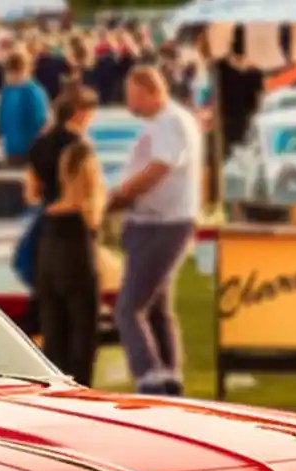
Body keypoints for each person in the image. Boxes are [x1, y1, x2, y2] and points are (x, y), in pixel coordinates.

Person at [107, 67, 203, 396]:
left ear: (150, 91)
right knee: (157, 307)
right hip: (157, 221)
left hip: (162, 223)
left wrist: (122, 195)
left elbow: (160, 167)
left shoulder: (170, 122)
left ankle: (149, 378)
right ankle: (169, 376)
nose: (129, 102)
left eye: (133, 95)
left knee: (128, 308)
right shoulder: (169, 121)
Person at [28, 87, 104, 386]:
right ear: (79, 111)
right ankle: (81, 389)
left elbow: (31, 193)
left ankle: (55, 389)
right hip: (74, 237)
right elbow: (87, 199)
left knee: (53, 324)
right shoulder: (80, 148)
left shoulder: (39, 145)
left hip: (47, 240)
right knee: (83, 324)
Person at [0, 51, 50, 166]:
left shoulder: (33, 92)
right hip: (11, 149)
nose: (11, 77)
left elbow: (41, 123)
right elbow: (1, 121)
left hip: (29, 150)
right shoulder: (7, 91)